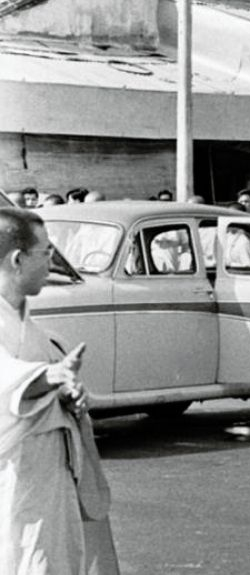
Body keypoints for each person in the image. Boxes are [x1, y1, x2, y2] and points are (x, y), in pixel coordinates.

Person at [0, 208, 120, 574]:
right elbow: (7, 378)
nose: (52, 261)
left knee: (56, 560)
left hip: (52, 476)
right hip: (15, 478)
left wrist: (68, 397)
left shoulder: (38, 332)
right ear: (18, 260)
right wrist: (49, 377)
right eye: (46, 252)